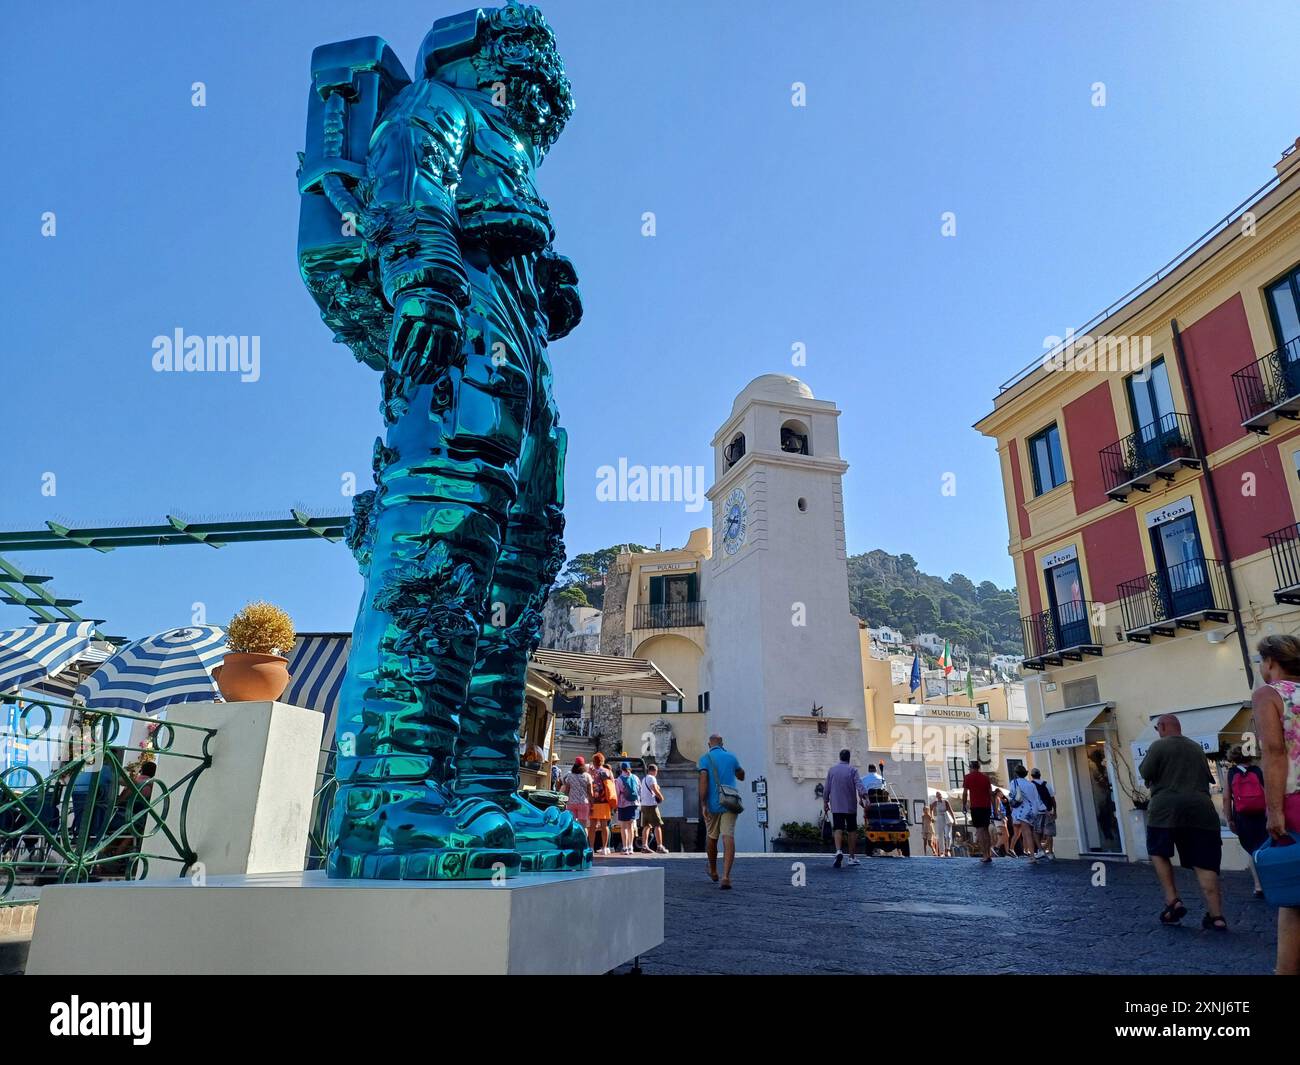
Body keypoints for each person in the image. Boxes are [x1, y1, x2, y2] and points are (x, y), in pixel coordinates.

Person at [1138, 713, 1226, 930]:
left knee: (1158, 851)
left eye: (1157, 728)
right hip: (1201, 810)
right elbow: (1207, 778)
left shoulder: (1159, 746)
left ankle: (1173, 900)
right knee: (1205, 862)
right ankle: (1216, 916)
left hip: (1165, 809)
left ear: (1164, 727)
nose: (1157, 732)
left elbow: (1145, 772)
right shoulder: (1196, 748)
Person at [1252, 635, 1300, 975]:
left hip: (1296, 798)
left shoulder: (1269, 695)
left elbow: (1274, 752)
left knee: (1293, 886)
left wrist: (1274, 809)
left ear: (1270, 661)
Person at [698, 733, 745, 890]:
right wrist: (736, 772)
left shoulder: (705, 759)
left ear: (709, 744)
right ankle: (726, 876)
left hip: (712, 804)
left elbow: (703, 781)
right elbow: (741, 775)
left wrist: (703, 804)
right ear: (722, 743)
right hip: (730, 802)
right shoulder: (731, 757)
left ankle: (713, 870)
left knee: (712, 837)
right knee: (728, 836)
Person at [1223, 746, 1266, 898]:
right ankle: (1269, 880)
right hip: (1262, 815)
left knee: (1251, 848)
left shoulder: (1231, 773)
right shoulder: (1258, 771)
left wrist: (1229, 819)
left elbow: (1227, 798)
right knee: (1265, 847)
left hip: (1242, 817)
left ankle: (1258, 885)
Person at [824, 749, 867, 868]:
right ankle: (852, 857)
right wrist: (864, 795)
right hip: (850, 806)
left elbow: (827, 787)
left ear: (840, 757)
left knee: (838, 828)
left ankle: (838, 851)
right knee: (852, 830)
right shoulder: (853, 770)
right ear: (849, 758)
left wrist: (825, 801)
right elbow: (859, 785)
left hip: (836, 805)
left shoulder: (832, 770)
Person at [1007, 765, 1044, 861]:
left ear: (1016, 773)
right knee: (1029, 832)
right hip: (1033, 810)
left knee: (1026, 833)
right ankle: (1032, 853)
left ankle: (1032, 855)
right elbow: (1036, 799)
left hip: (1022, 810)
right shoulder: (1031, 784)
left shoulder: (1014, 782)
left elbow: (1011, 795)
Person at [962, 761, 994, 863]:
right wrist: (995, 808)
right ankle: (989, 854)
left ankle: (984, 855)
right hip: (986, 806)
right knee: (985, 830)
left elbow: (965, 793)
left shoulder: (968, 777)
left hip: (976, 806)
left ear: (971, 767)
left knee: (979, 831)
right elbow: (990, 794)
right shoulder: (985, 778)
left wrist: (964, 805)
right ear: (979, 767)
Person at [588, 752, 615, 856]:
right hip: (605, 802)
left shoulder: (592, 772)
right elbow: (612, 786)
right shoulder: (608, 772)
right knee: (605, 826)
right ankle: (605, 847)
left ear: (594, 761)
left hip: (594, 802)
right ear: (603, 761)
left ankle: (591, 847)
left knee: (592, 826)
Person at [639, 763, 668, 854]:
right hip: (651, 805)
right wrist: (661, 797)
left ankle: (644, 846)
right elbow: (654, 789)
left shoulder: (644, 779)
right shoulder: (652, 778)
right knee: (657, 825)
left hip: (644, 805)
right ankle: (659, 846)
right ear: (654, 771)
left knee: (647, 826)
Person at [560, 756, 593, 836]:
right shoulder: (587, 776)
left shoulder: (570, 776)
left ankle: (572, 843)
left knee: (572, 825)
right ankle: (584, 844)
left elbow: (566, 791)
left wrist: (564, 802)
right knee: (583, 826)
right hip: (583, 803)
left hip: (571, 803)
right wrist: (592, 803)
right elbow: (590, 793)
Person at [1030, 767, 1057, 861]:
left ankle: (1041, 850)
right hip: (1049, 811)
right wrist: (1055, 811)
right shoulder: (1047, 784)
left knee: (1036, 831)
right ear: (1040, 774)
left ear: (1032, 776)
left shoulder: (1031, 785)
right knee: (1049, 832)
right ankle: (1050, 852)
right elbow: (1053, 799)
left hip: (1037, 812)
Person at [615, 761, 640, 855]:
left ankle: (625, 847)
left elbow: (617, 793)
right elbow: (639, 790)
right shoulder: (635, 777)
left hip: (623, 804)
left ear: (621, 769)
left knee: (624, 827)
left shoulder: (619, 779)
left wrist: (616, 805)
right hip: (634, 804)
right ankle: (631, 847)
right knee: (631, 826)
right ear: (630, 768)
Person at [930, 791, 955, 857]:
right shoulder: (935, 803)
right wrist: (932, 817)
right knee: (940, 835)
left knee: (948, 835)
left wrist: (954, 819)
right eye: (937, 795)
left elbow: (950, 810)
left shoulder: (946, 802)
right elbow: (930, 808)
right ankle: (942, 852)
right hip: (939, 818)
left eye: (939, 794)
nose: (939, 796)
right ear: (936, 796)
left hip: (946, 817)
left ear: (941, 795)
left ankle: (948, 849)